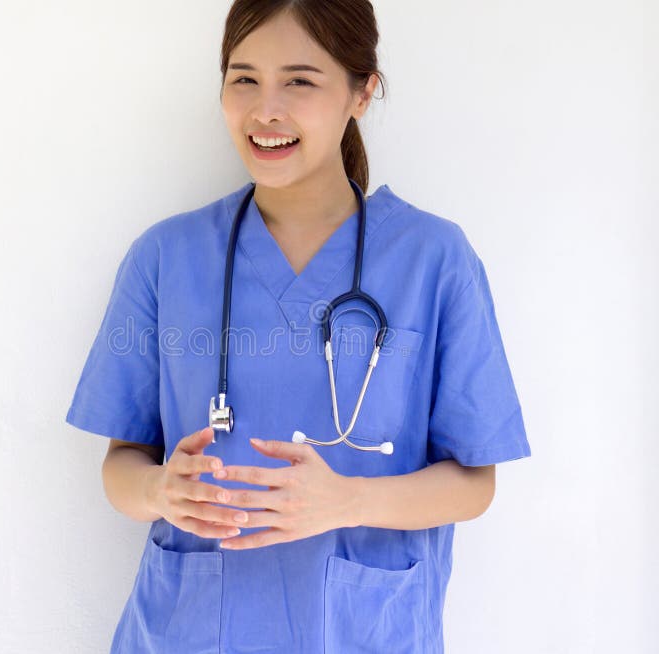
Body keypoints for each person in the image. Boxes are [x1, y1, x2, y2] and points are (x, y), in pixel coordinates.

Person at [65, 1, 532, 652]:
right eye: (244, 78)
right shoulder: (166, 258)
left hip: (362, 634)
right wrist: (159, 490)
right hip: (185, 633)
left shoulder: (434, 261)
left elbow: (475, 483)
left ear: (362, 91)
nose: (265, 110)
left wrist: (347, 503)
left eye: (300, 81)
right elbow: (121, 467)